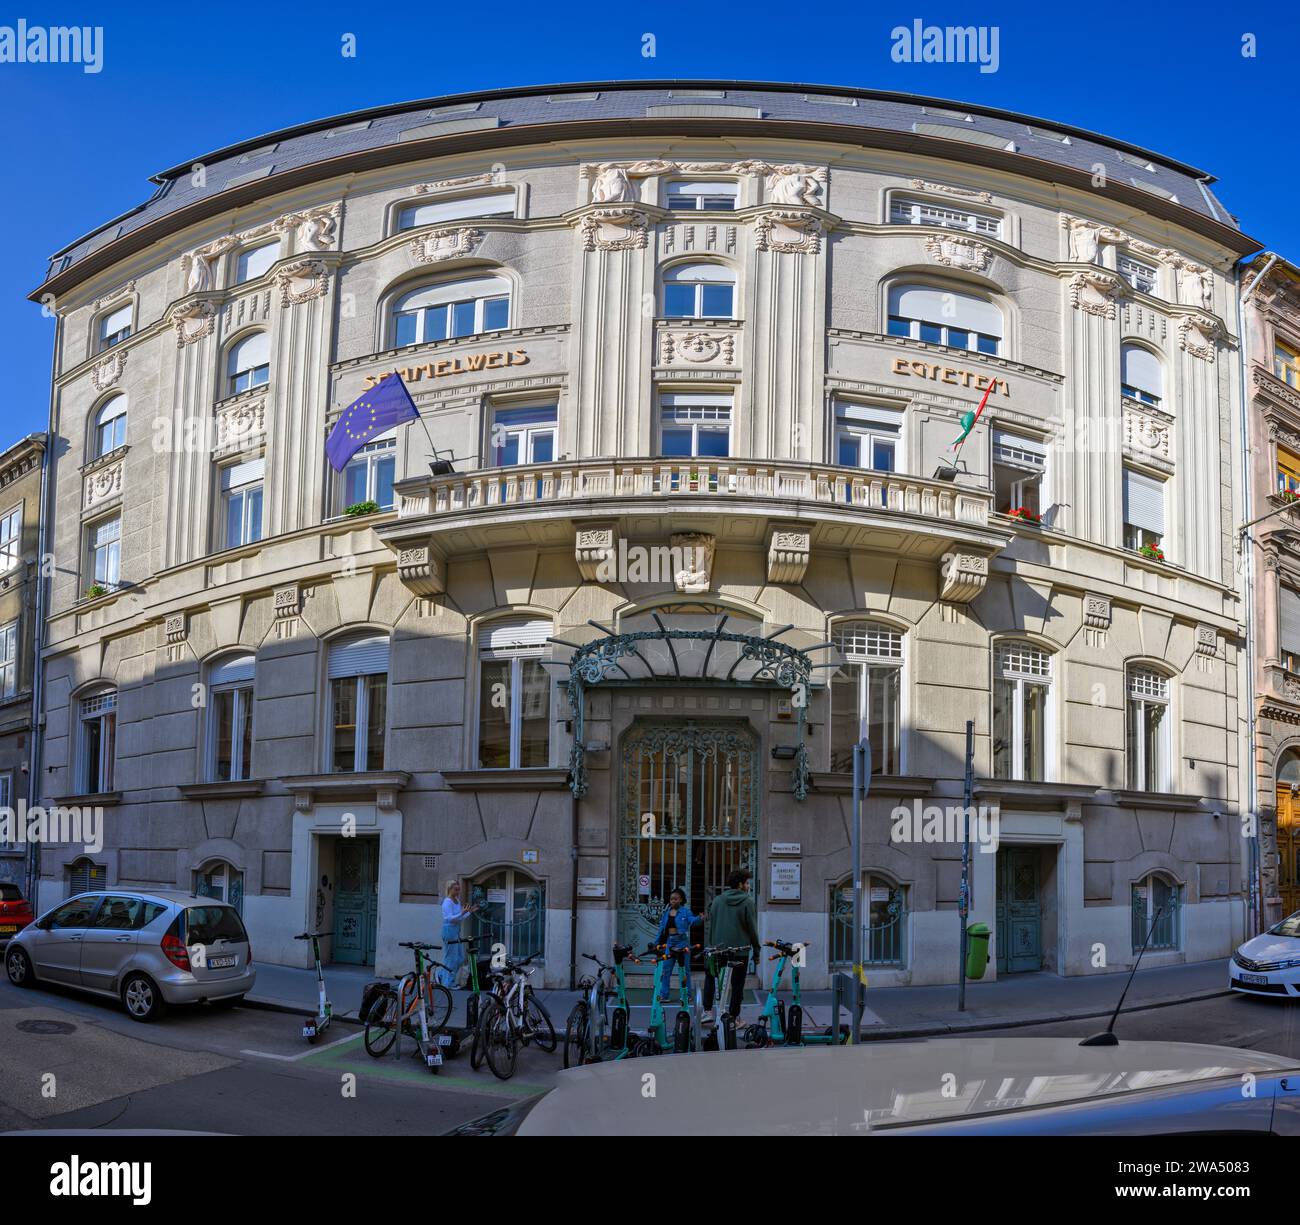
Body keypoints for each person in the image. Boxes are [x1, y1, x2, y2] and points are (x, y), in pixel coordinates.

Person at [702, 868, 760, 1023]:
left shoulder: (717, 900)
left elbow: (712, 925)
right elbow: (752, 929)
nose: (748, 886)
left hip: (718, 949)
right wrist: (757, 950)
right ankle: (734, 1017)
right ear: (740, 884)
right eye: (747, 883)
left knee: (711, 977)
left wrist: (712, 946)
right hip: (739, 950)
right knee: (737, 984)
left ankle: (707, 1011)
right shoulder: (748, 902)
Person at [654, 887, 702, 1002]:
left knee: (685, 970)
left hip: (682, 942)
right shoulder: (667, 912)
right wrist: (656, 943)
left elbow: (692, 920)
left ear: (681, 900)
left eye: (676, 899)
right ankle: (664, 995)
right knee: (666, 970)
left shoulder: (685, 911)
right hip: (670, 943)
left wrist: (699, 918)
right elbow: (662, 928)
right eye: (671, 899)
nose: (673, 901)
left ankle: (687, 995)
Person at [437, 880, 478, 988]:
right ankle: (448, 983)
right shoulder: (447, 902)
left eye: (459, 889)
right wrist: (462, 912)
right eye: (456, 889)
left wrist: (469, 912)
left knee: (460, 958)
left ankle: (441, 974)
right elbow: (449, 918)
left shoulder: (457, 900)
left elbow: (459, 918)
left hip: (456, 930)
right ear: (450, 889)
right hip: (449, 930)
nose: (458, 891)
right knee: (451, 958)